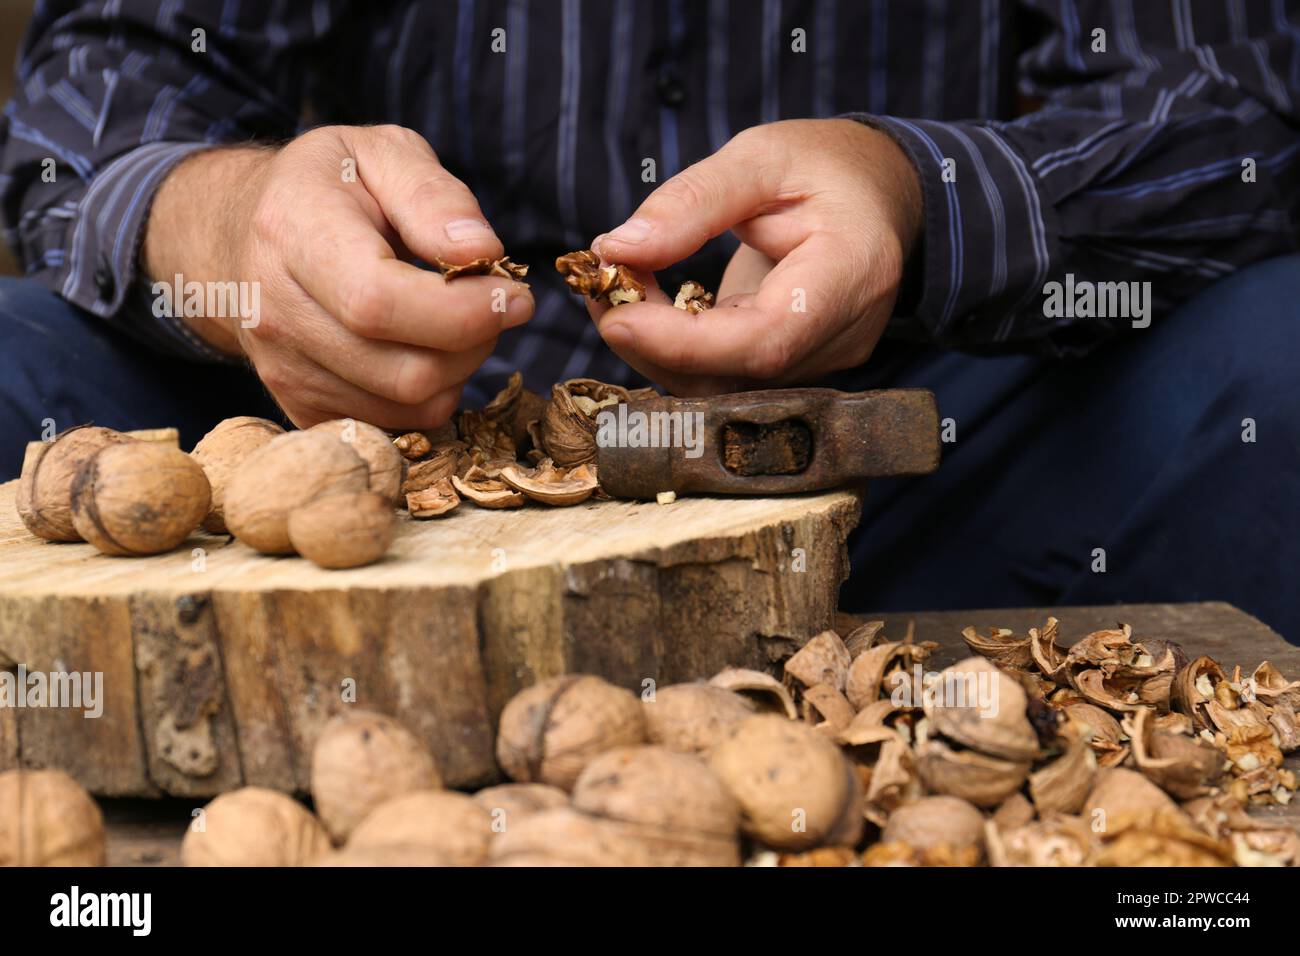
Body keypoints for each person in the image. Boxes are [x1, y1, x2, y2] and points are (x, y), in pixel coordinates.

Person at [1, 2, 1297, 637]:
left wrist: (919, 196)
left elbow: (1224, 102)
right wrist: (231, 233)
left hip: (901, 453)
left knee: (1277, 364)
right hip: (373, 460)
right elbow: (103, 85)